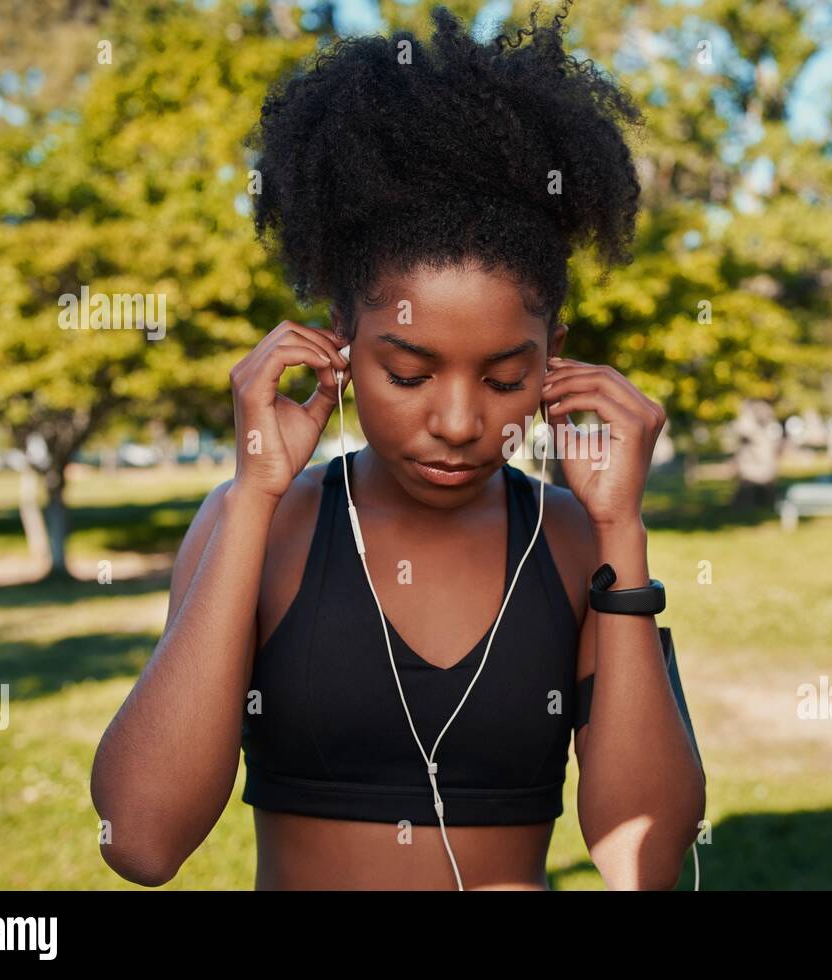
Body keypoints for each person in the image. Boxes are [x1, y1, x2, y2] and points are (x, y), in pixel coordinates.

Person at [90, 1, 705, 890]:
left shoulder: (577, 545)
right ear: (340, 341)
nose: (459, 423)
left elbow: (641, 861)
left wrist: (622, 533)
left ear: (554, 362)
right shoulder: (265, 525)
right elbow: (139, 839)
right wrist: (254, 496)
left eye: (503, 380)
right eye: (409, 374)